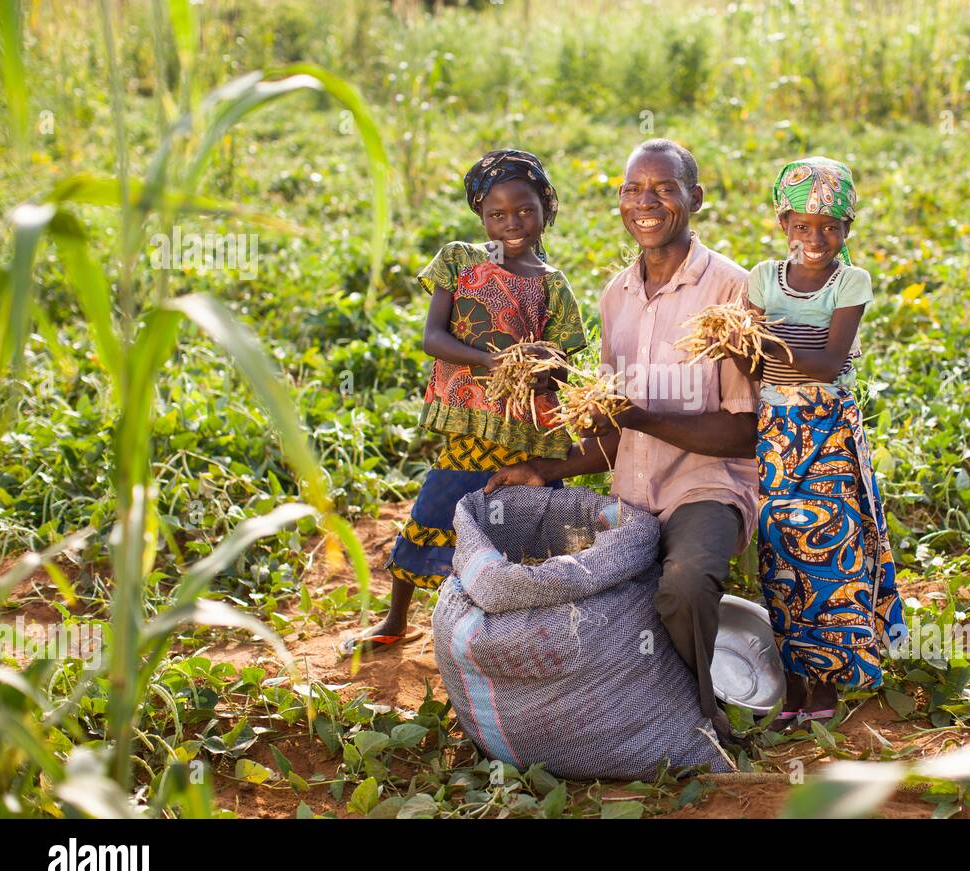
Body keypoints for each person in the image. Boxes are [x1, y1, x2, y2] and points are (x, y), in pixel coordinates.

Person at [485, 139, 758, 740]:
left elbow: (745, 431)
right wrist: (545, 471)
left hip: (705, 487)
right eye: (635, 189)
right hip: (633, 490)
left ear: (696, 198)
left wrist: (638, 416)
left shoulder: (732, 293)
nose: (647, 202)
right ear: (620, 200)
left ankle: (704, 715)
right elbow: (612, 425)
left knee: (683, 586)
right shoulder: (616, 295)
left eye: (664, 189)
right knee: (592, 609)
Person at [341, 149, 586, 655]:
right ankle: (395, 618)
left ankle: (530, 634)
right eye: (497, 215)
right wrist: (497, 361)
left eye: (525, 210)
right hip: (471, 423)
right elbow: (433, 338)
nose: (512, 223)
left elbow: (560, 365)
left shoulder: (554, 286)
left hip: (525, 430)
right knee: (438, 507)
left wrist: (546, 370)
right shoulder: (461, 260)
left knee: (534, 527)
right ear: (480, 216)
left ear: (547, 206)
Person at [726, 156, 907, 731]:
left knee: (831, 555)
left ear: (847, 230)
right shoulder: (760, 278)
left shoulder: (851, 282)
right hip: (776, 435)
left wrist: (762, 348)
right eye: (802, 226)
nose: (815, 239)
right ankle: (796, 685)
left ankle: (828, 681)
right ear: (783, 225)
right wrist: (748, 348)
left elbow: (828, 364)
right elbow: (742, 357)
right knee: (781, 554)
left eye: (830, 227)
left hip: (828, 428)